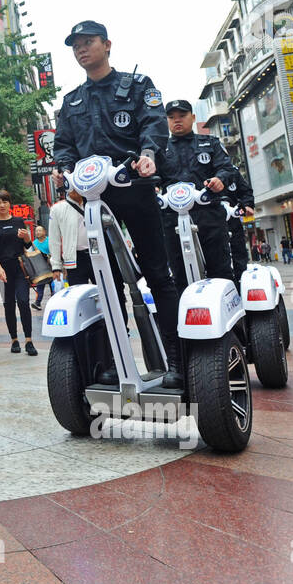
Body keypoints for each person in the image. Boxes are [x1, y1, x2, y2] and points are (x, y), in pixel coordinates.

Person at [52, 19, 181, 385]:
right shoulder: (71, 100)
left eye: (88, 42)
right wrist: (63, 168)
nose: (81, 49)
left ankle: (176, 359)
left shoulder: (138, 86)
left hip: (134, 189)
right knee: (102, 281)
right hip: (93, 201)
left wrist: (148, 154)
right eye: (76, 45)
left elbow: (154, 124)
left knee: (157, 273)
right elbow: (63, 145)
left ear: (107, 45)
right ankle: (110, 364)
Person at [160, 99, 235, 290]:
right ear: (166, 120)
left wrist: (219, 179)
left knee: (221, 270)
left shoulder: (211, 143)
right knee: (179, 272)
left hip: (209, 214)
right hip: (172, 217)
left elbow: (226, 168)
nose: (177, 121)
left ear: (193, 117)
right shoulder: (159, 149)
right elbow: (151, 176)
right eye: (171, 117)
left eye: (182, 116)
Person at [0, 190, 37, 356]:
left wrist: (27, 238)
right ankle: (14, 339)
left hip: (20, 267)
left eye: (5, 201)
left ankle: (29, 340)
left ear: (10, 203)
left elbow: (27, 247)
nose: (2, 205)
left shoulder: (18, 221)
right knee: (8, 304)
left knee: (23, 301)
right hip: (3, 270)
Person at [31, 224, 51, 309]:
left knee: (53, 285)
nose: (38, 232)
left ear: (44, 232)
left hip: (50, 266)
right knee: (40, 285)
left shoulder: (49, 241)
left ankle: (55, 302)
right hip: (40, 268)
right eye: (36, 231)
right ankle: (37, 302)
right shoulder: (34, 243)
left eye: (40, 230)